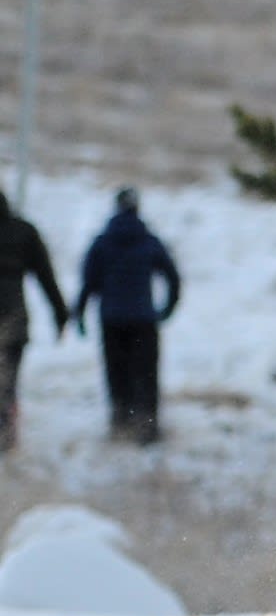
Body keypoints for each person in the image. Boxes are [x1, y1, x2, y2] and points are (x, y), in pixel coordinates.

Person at [78, 189, 180, 445]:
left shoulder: (102, 242)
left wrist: (78, 313)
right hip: (144, 320)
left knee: (117, 372)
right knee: (145, 374)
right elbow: (173, 276)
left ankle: (120, 421)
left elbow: (88, 282)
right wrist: (167, 308)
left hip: (111, 319)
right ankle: (147, 428)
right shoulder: (149, 241)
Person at [0, 188, 68, 456]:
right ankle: (6, 438)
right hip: (14, 320)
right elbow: (46, 277)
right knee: (8, 382)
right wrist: (60, 314)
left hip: (13, 322)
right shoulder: (24, 232)